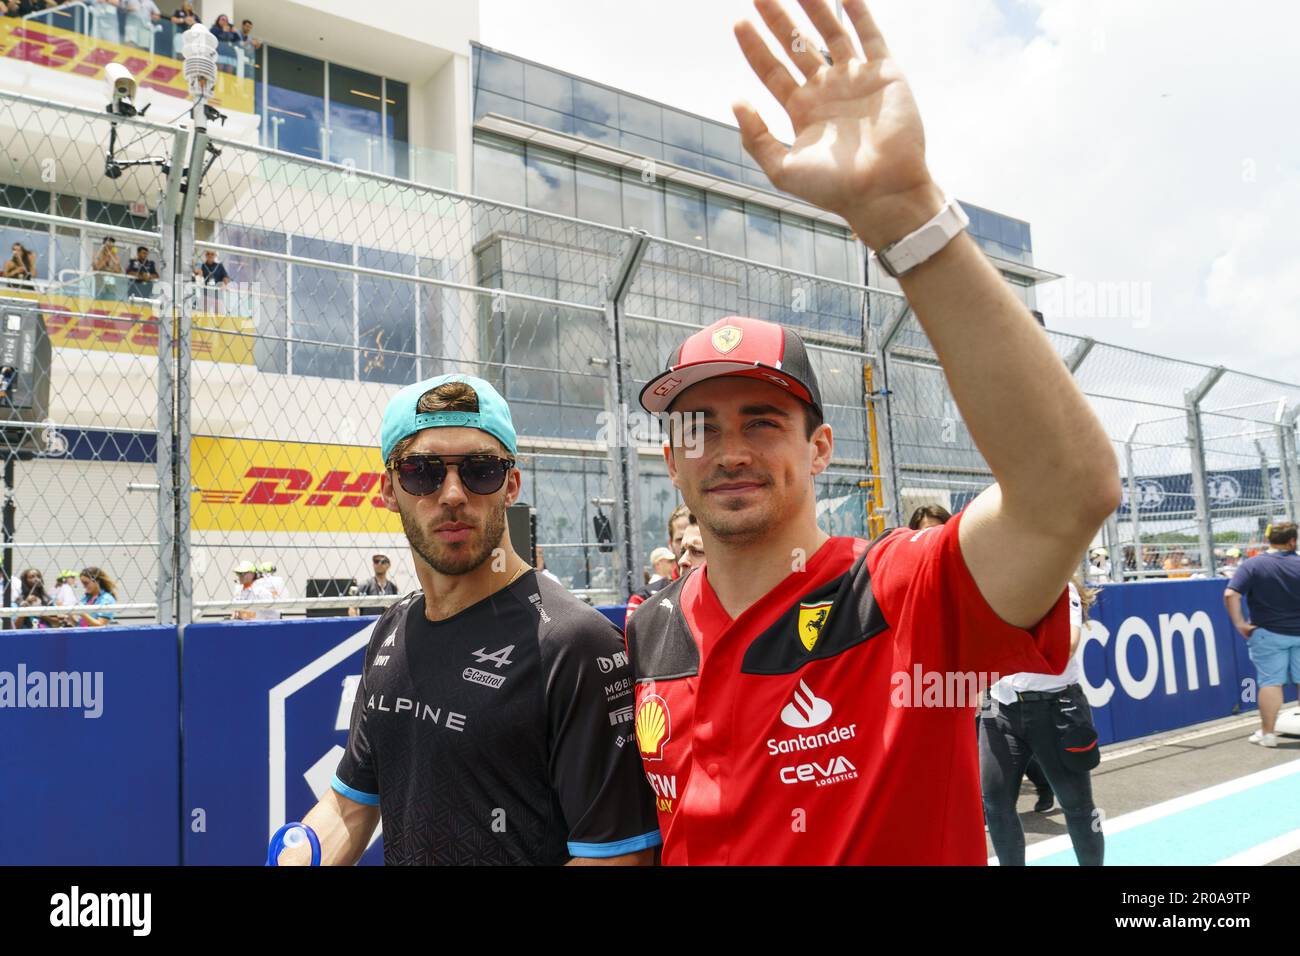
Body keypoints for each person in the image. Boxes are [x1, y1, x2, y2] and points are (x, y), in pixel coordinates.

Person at [623, 0, 1119, 865]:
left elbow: (1069, 493)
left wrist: (904, 213)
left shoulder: (901, 593)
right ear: (672, 457)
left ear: (821, 448)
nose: (729, 449)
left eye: (765, 421)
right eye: (700, 426)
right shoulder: (645, 628)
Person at [276, 374, 659, 866]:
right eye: (422, 472)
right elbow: (349, 807)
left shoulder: (574, 643)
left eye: (480, 470)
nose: (453, 493)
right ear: (389, 490)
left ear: (512, 485)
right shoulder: (394, 627)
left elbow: (616, 858)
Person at [980, 576, 1104, 865]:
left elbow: (1067, 646)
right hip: (997, 707)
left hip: (1055, 707)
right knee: (995, 805)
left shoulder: (1060, 587)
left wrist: (1004, 652)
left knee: (1077, 806)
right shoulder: (990, 587)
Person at [1225, 521, 1300, 748]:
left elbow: (1230, 594)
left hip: (1267, 632)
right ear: (1292, 541)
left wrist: (1240, 624)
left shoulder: (1253, 564)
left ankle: (1268, 734)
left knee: (1270, 683)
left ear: (1269, 540)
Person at [193, 249, 230, 313]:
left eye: (212, 254)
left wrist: (224, 284)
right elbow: (198, 273)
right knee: (203, 317)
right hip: (205, 295)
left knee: (219, 318)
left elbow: (226, 277)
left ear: (215, 255)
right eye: (208, 254)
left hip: (217, 296)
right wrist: (196, 269)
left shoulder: (219, 266)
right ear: (205, 255)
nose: (210, 256)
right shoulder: (203, 266)